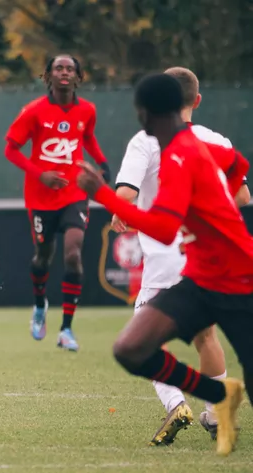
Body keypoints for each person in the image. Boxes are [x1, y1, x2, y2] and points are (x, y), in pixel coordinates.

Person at [77, 72, 251, 457]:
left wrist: (103, 194)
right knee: (131, 348)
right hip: (200, 274)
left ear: (145, 114)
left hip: (239, 277)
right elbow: (239, 166)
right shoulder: (198, 143)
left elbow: (163, 224)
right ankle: (219, 396)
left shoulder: (178, 155)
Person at [4, 54, 111, 351]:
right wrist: (41, 175)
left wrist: (102, 162)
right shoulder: (34, 111)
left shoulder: (88, 110)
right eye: (58, 68)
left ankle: (66, 329)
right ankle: (40, 306)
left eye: (70, 69)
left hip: (74, 193)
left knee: (73, 253)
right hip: (41, 197)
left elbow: (86, 136)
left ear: (79, 76)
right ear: (47, 76)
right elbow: (11, 150)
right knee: (43, 257)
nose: (64, 72)